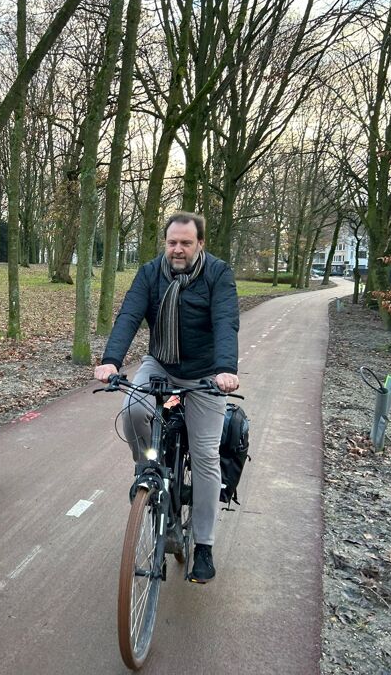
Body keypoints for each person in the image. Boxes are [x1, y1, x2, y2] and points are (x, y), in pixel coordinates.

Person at [94, 212, 239, 584]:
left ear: (200, 244)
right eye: (172, 242)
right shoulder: (150, 273)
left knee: (206, 454)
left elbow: (226, 321)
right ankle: (147, 471)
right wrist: (111, 360)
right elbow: (129, 314)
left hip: (206, 373)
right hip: (160, 362)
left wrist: (225, 369)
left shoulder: (218, 274)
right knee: (132, 409)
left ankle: (204, 544)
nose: (177, 249)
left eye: (186, 243)